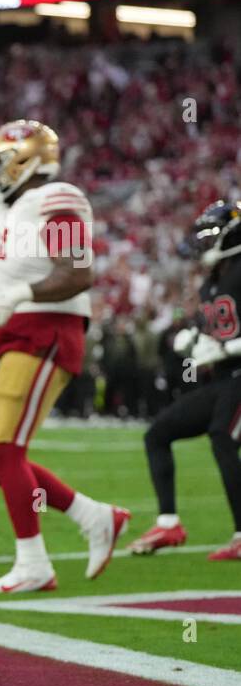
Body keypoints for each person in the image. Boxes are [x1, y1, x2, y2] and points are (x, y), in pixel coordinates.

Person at [0, 119, 129, 593]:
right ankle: (95, 517)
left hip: (46, 333)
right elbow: (11, 294)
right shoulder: (9, 212)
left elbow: (77, 273)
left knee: (6, 447)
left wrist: (20, 292)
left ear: (26, 159)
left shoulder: (55, 197)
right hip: (11, 338)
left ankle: (34, 563)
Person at [130, 200, 241, 561]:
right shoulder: (212, 281)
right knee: (157, 434)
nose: (203, 243)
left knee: (222, 437)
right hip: (222, 380)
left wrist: (226, 349)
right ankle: (167, 522)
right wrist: (193, 338)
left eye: (210, 234)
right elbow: (212, 327)